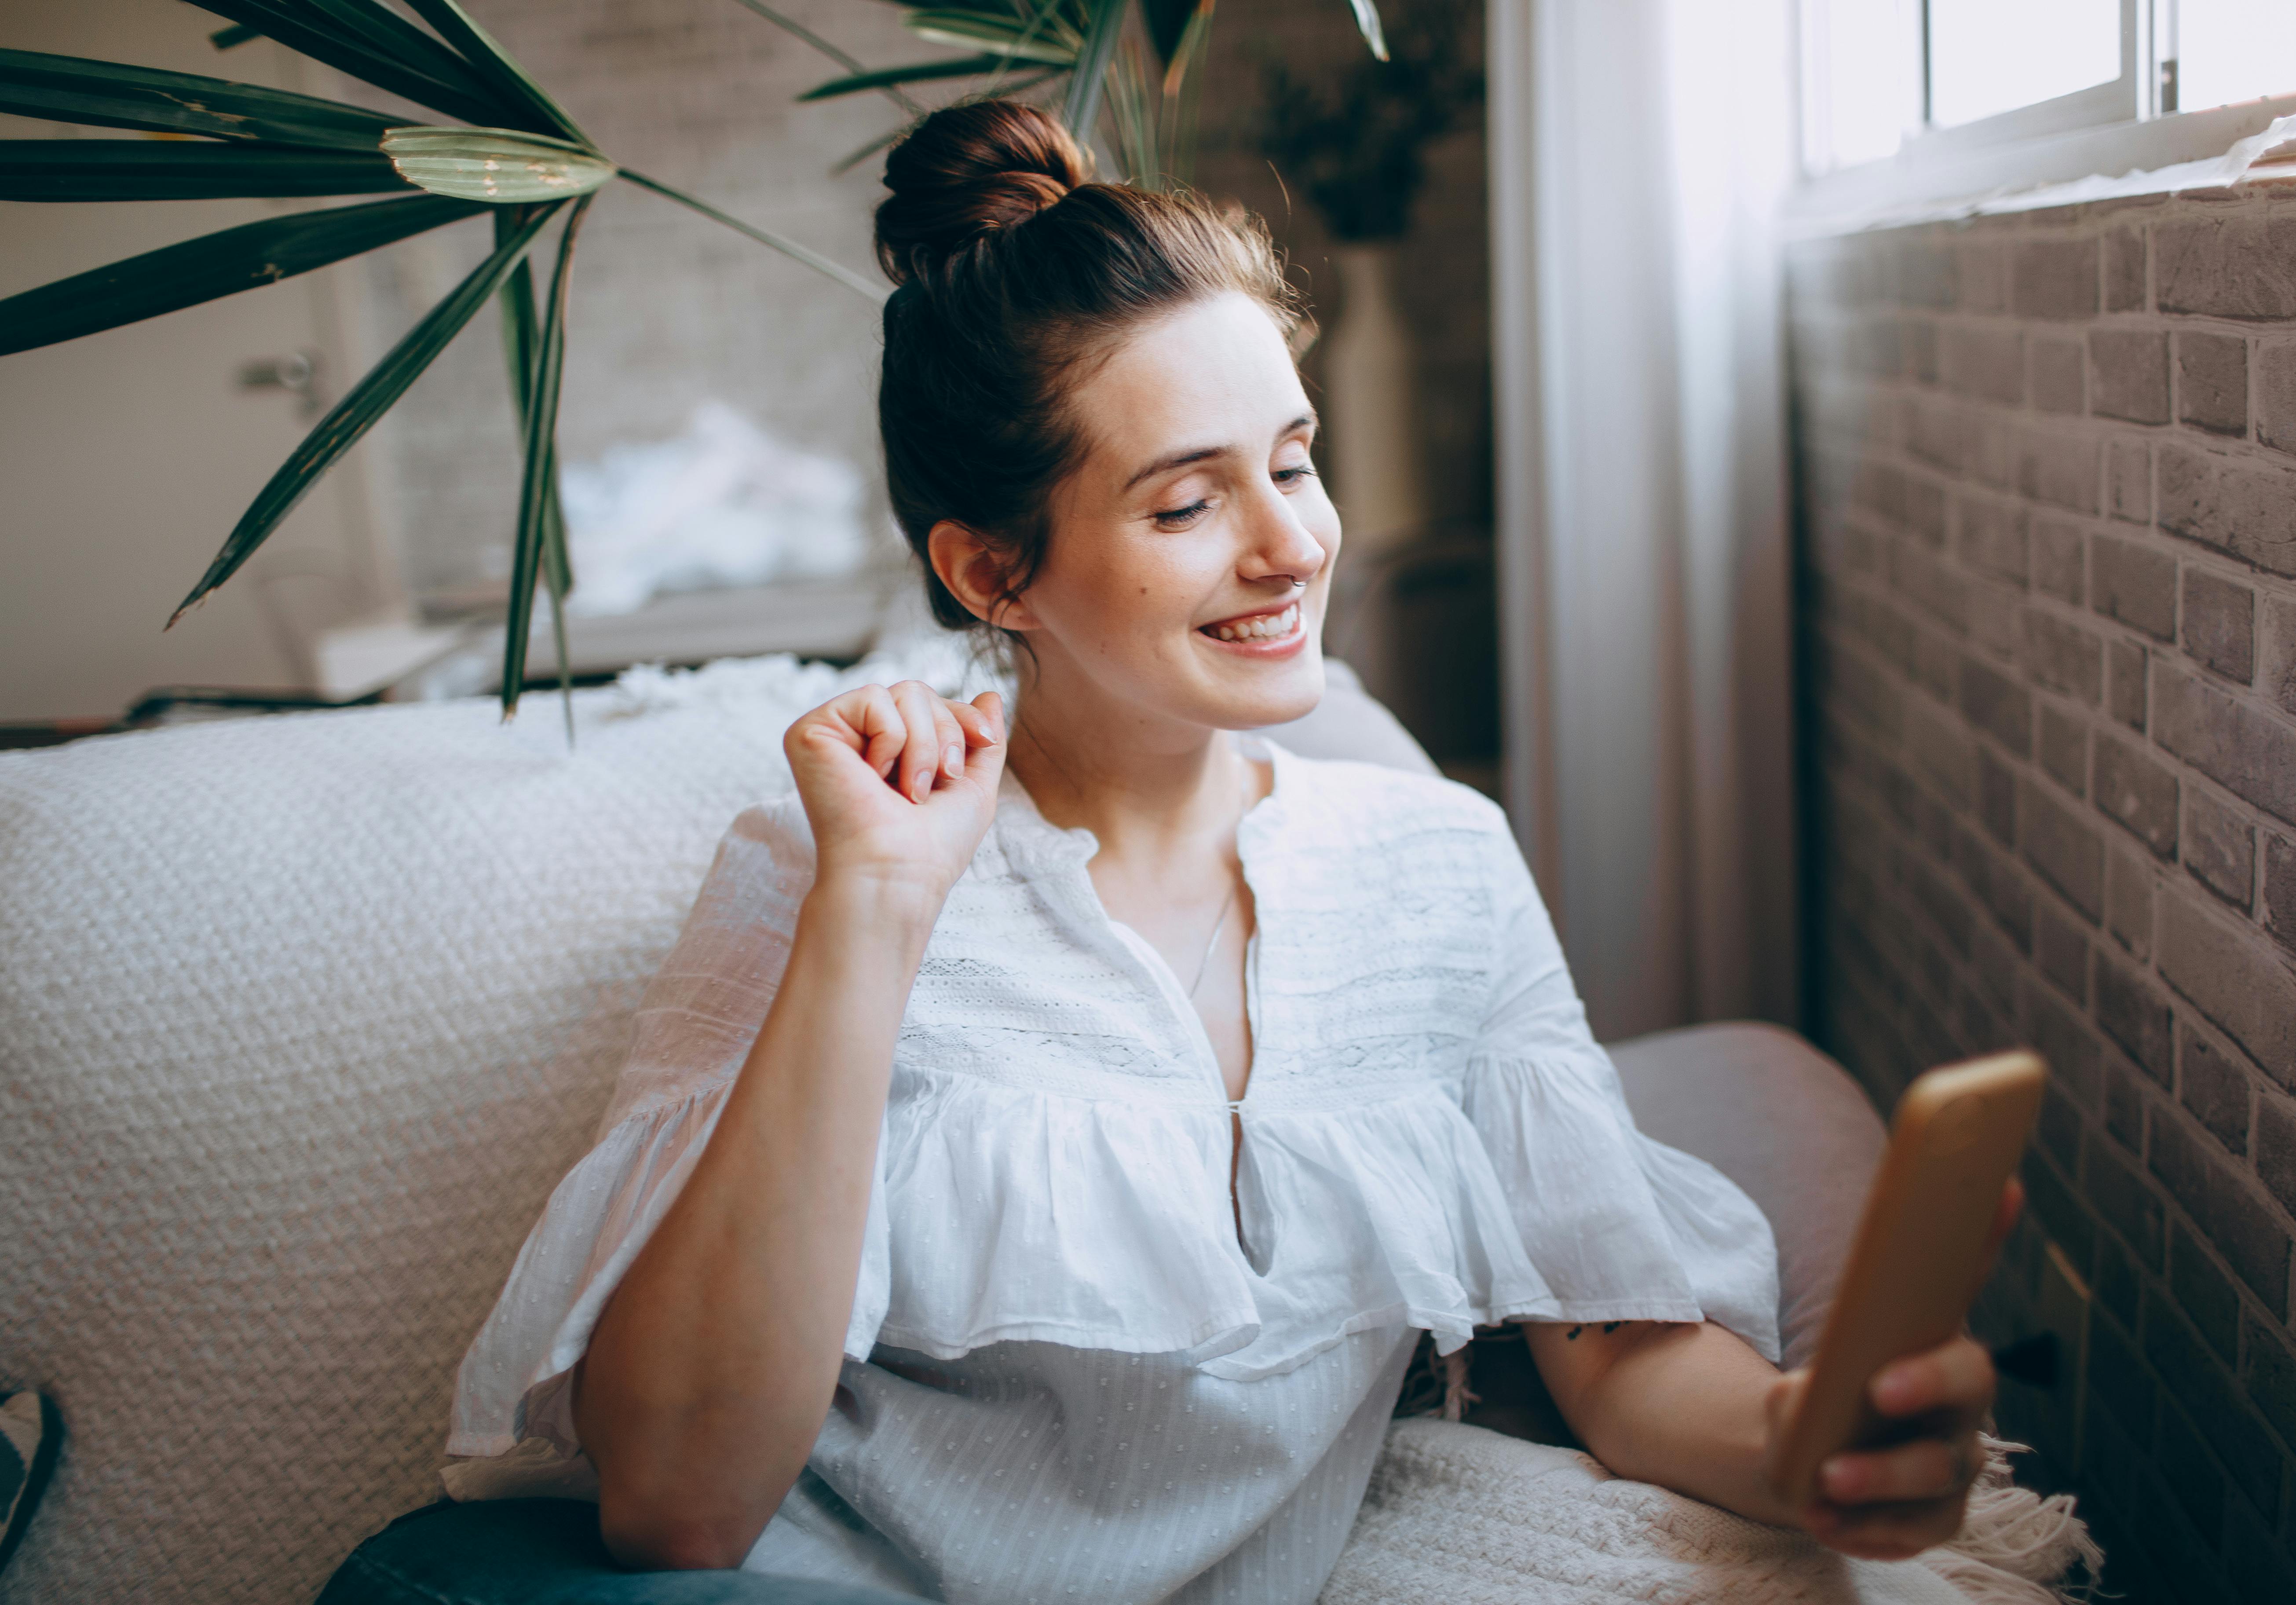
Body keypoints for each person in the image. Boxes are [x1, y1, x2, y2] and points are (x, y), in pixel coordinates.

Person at [446, 100, 2002, 1604]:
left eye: (1297, 461)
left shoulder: (1438, 865)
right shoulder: (824, 867)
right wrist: (875, 915)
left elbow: (1620, 1349)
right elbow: (677, 1508)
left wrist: (1805, 1445)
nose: (1291, 546)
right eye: (1188, 500)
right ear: (995, 569)